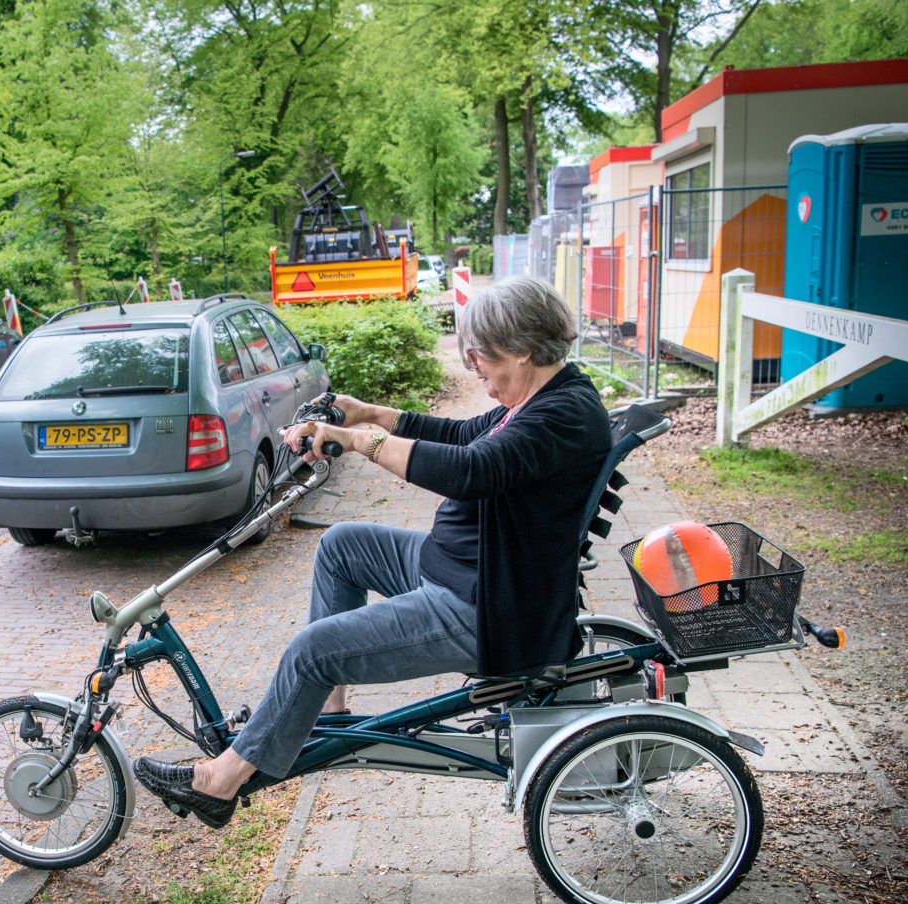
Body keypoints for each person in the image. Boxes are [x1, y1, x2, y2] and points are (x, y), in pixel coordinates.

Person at [133, 274, 610, 828]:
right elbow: (463, 436)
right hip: (458, 568)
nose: (473, 366)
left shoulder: (563, 415)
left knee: (312, 650)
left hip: (486, 606)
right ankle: (326, 712)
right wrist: (368, 414)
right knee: (342, 545)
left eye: (480, 355)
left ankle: (220, 783)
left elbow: (471, 470)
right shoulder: (543, 396)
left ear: (524, 348)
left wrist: (359, 442)